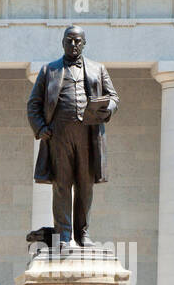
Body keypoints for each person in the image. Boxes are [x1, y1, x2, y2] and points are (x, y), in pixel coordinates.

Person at [26, 25, 118, 247]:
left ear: (84, 43)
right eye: (70, 40)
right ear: (63, 43)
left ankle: (82, 233)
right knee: (62, 186)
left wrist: (109, 108)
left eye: (78, 41)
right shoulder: (49, 71)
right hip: (59, 137)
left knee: (85, 186)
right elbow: (33, 104)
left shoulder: (98, 69)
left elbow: (113, 96)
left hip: (88, 137)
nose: (74, 44)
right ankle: (64, 236)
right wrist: (40, 128)